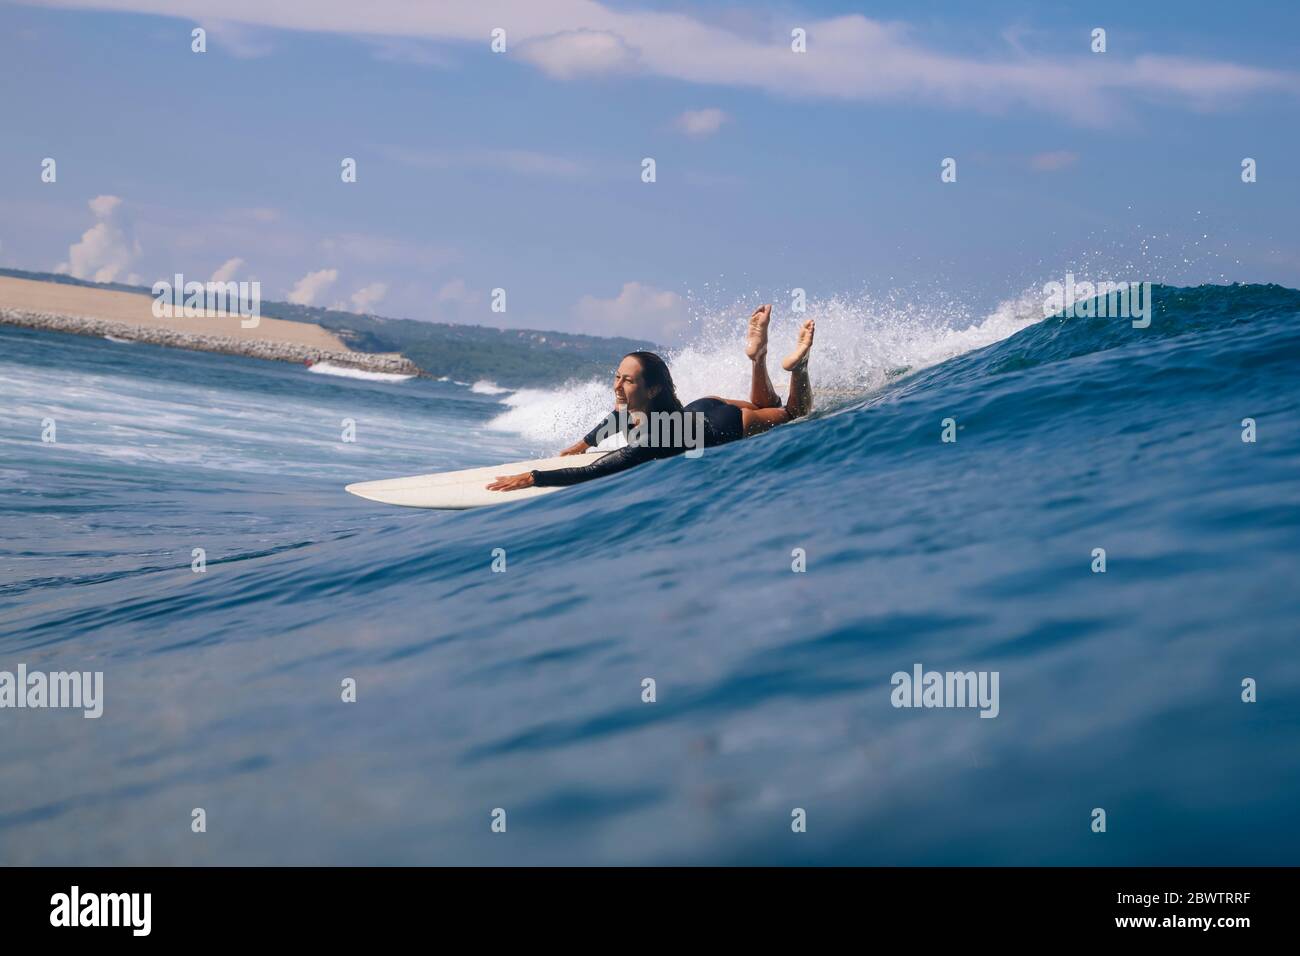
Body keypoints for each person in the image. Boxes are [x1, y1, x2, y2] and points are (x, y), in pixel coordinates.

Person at [486, 305, 815, 491]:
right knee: (765, 406)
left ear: (652, 390)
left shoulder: (652, 440)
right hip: (702, 408)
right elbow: (616, 419)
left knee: (792, 413)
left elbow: (594, 472)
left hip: (725, 424)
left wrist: (533, 478)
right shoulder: (637, 411)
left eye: (627, 380)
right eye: (618, 376)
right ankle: (757, 356)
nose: (617, 385)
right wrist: (583, 444)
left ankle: (798, 367)